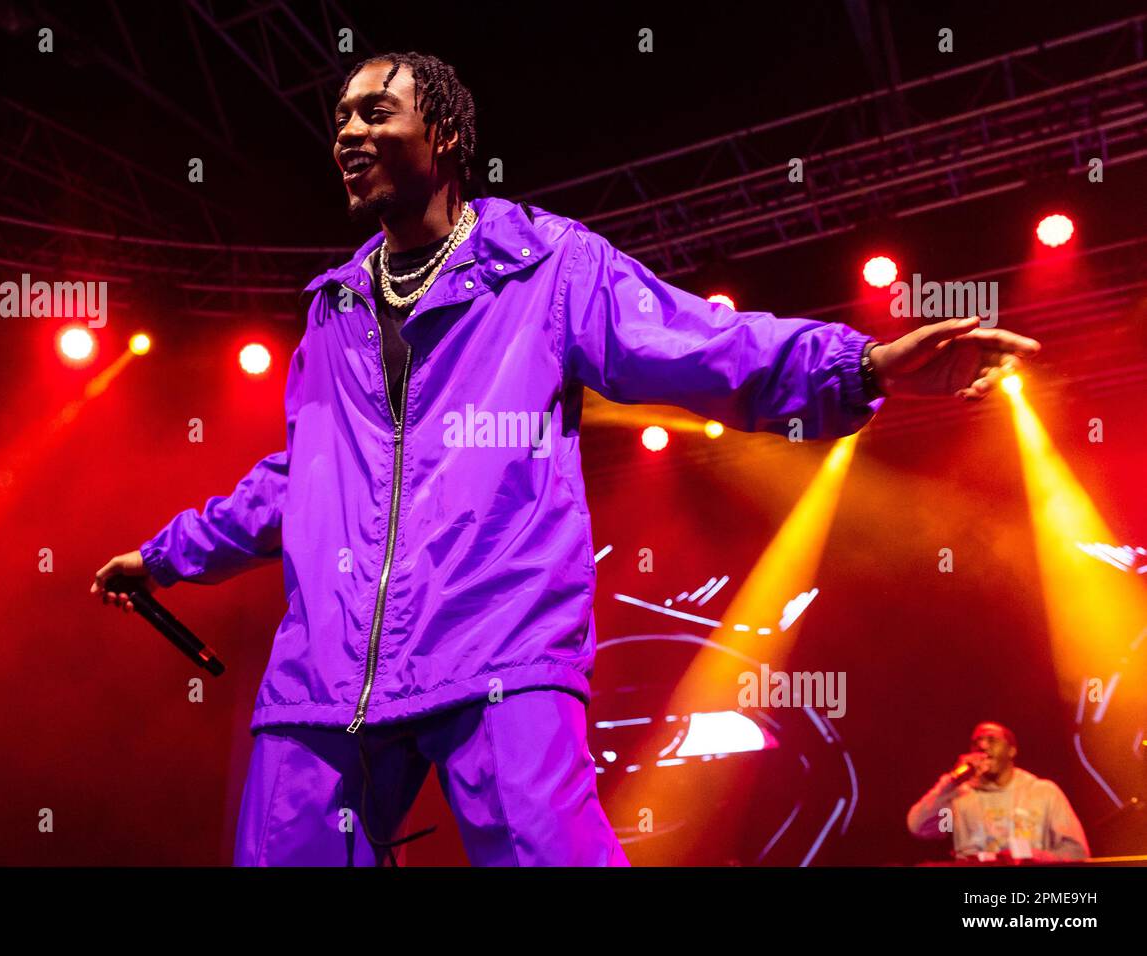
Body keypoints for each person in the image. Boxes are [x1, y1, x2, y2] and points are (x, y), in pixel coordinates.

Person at [93, 52, 1041, 866]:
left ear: (447, 136)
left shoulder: (546, 267)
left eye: (375, 111)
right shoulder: (332, 312)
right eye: (338, 116)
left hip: (496, 638)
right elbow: (303, 479)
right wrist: (169, 553)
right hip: (325, 671)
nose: (346, 131)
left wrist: (860, 364)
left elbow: (695, 346)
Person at [907, 721, 1090, 862]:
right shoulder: (959, 797)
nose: (983, 746)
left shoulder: (1043, 792)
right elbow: (920, 827)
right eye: (976, 742)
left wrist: (1038, 859)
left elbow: (1077, 852)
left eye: (991, 740)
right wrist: (952, 782)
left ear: (1011, 750)